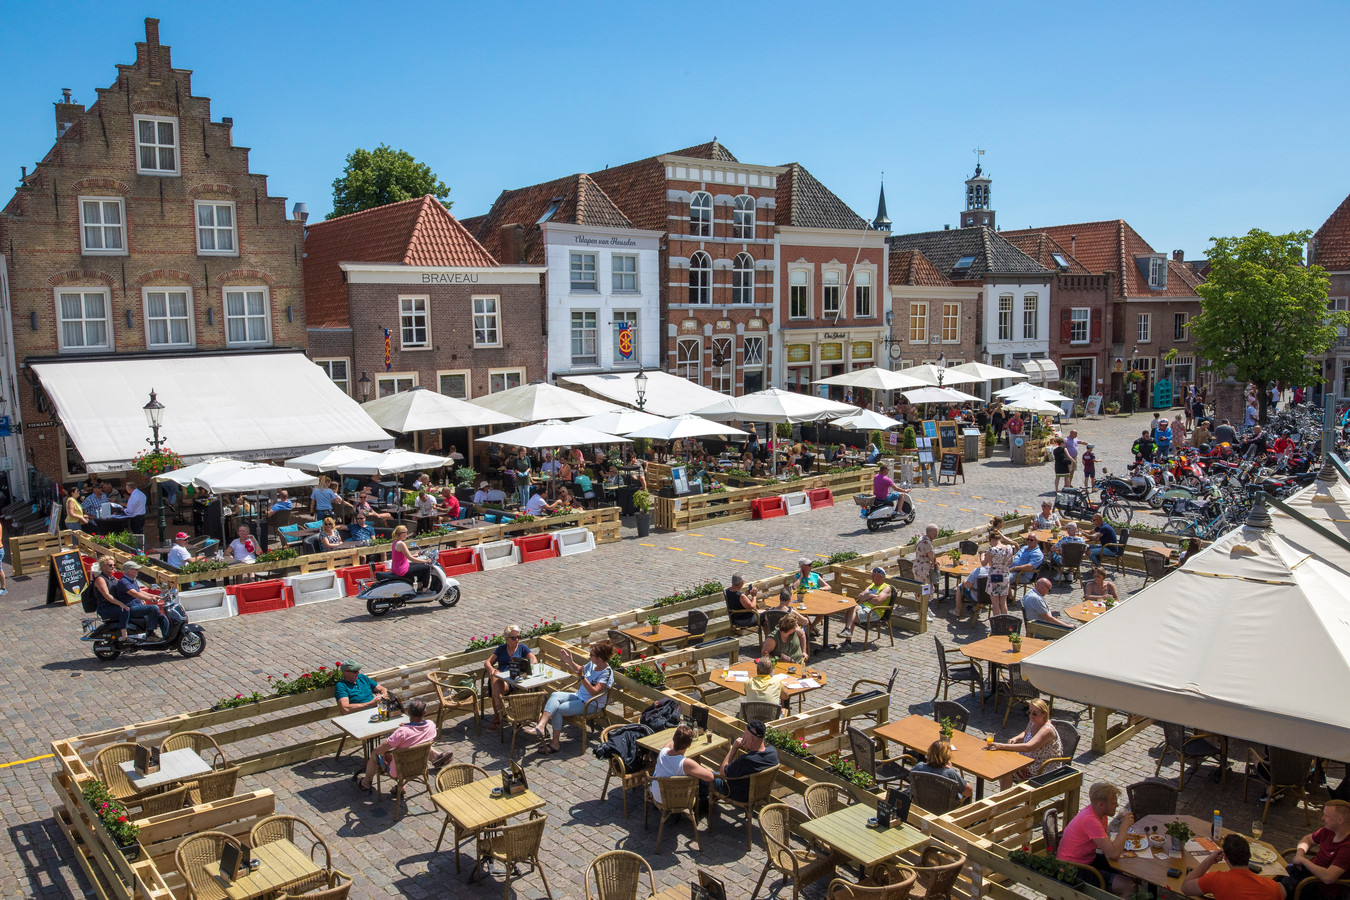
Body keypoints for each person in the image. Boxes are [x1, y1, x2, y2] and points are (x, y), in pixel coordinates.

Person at [522, 640, 615, 754]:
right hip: (579, 696)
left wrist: (582, 677)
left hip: (591, 704)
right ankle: (541, 726)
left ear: (599, 658)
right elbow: (579, 670)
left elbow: (593, 691)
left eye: (591, 655)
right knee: (555, 695)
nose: (589, 657)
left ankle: (555, 743)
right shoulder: (592, 664)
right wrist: (569, 662)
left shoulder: (606, 673)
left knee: (559, 709)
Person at [1055, 782, 1137, 896]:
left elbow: (1108, 849)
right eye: (1113, 803)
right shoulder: (1091, 820)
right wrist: (1124, 826)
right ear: (1101, 804)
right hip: (1072, 869)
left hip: (1086, 860)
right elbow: (1112, 853)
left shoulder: (1100, 815)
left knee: (1129, 869)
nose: (1117, 805)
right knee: (1128, 886)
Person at [352, 698, 451, 792]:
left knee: (375, 754)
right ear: (425, 713)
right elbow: (416, 733)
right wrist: (408, 726)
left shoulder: (402, 732)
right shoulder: (431, 726)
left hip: (399, 771)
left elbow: (379, 751)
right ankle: (401, 786)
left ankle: (365, 783)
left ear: (408, 712)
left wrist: (405, 729)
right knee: (415, 745)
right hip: (419, 766)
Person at [1279, 799, 1350, 900]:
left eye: (1326, 816)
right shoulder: (1329, 830)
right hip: (1307, 875)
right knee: (1271, 878)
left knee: (1276, 889)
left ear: (1340, 820)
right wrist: (1300, 855)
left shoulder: (1347, 847)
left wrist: (1303, 861)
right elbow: (1306, 839)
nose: (1322, 818)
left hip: (1319, 888)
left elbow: (1328, 877)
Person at [988, 699, 1062, 789]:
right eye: (1030, 712)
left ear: (1044, 714)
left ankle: (1004, 798)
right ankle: (1004, 795)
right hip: (1028, 759)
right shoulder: (1033, 720)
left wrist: (1001, 746)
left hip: (1041, 767)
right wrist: (1016, 738)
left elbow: (1029, 747)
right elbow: (1026, 733)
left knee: (1007, 767)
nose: (1031, 715)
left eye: (1035, 713)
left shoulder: (1047, 730)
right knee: (1003, 761)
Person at [1183, 833, 1283, 900]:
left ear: (1225, 857)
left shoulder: (1215, 879)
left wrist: (1208, 860)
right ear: (1250, 856)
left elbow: (1185, 887)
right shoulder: (1273, 887)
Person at [710, 720, 780, 804]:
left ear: (750, 739)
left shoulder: (748, 760)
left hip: (738, 794)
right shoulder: (772, 752)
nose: (742, 737)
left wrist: (734, 748)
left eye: (744, 735)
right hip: (758, 793)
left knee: (705, 777)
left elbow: (722, 772)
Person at [484, 624, 539, 728]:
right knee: (495, 676)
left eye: (518, 637)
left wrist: (528, 665)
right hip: (502, 679)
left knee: (495, 684)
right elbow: (487, 662)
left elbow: (534, 660)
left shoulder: (523, 648)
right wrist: (491, 669)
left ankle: (497, 717)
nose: (517, 640)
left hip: (515, 680)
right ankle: (499, 713)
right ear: (506, 639)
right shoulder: (501, 648)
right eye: (513, 638)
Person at [649, 725, 715, 804]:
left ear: (674, 739)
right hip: (675, 799)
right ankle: (704, 803)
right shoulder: (685, 763)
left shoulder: (663, 752)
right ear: (689, 745)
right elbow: (710, 777)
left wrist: (679, 736)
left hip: (657, 795)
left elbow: (669, 744)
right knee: (707, 777)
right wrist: (705, 769)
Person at [114, 561, 170, 640]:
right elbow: (134, 594)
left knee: (162, 617)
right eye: (136, 569)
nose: (138, 571)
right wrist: (150, 599)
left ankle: (167, 638)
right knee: (153, 608)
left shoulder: (132, 580)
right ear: (130, 571)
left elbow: (139, 591)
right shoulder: (124, 582)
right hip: (131, 607)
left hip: (138, 605)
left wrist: (154, 596)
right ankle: (150, 634)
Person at [840, 566, 893, 644]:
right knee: (851, 608)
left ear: (881, 577)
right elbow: (860, 596)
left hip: (874, 612)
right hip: (863, 608)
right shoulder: (871, 585)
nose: (872, 577)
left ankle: (848, 639)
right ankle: (847, 634)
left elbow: (878, 601)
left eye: (874, 575)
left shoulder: (886, 588)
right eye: (872, 575)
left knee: (851, 616)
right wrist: (871, 596)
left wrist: (868, 596)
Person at [90, 555, 131, 639]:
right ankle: (125, 636)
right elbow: (107, 595)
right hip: (105, 608)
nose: (112, 567)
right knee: (125, 610)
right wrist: (121, 604)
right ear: (103, 567)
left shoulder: (112, 578)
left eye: (113, 565)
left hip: (113, 605)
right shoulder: (100, 579)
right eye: (110, 565)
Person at [911, 524, 940, 597]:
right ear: (929, 532)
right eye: (935, 533)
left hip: (917, 566)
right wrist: (935, 566)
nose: (936, 535)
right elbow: (931, 556)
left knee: (919, 588)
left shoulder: (921, 539)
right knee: (925, 588)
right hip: (923, 569)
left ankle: (919, 606)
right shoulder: (927, 542)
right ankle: (923, 606)